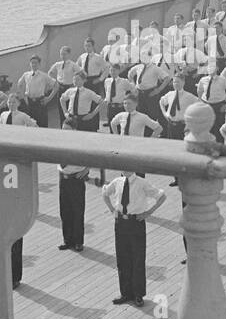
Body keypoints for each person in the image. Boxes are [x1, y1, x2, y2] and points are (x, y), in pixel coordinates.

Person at [102, 170, 167, 305]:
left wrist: (148, 212)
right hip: (120, 222)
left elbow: (161, 196)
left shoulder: (141, 183)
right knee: (122, 257)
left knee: (137, 258)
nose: (124, 169)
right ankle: (126, 293)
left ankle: (138, 294)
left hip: (136, 222)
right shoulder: (117, 182)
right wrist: (112, 210)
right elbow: (105, 192)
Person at [0, 96, 38, 287]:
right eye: (9, 102)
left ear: (19, 104)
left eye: (14, 102)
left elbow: (34, 126)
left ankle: (15, 277)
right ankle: (8, 275)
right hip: (6, 153)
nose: (11, 105)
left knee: (15, 242)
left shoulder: (22, 117)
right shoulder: (3, 115)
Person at [57, 121, 88, 252]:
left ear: (74, 129)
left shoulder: (81, 143)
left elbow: (92, 157)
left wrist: (85, 170)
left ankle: (78, 241)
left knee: (77, 211)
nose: (65, 131)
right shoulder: (60, 142)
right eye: (63, 128)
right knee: (65, 211)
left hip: (76, 179)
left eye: (68, 129)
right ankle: (67, 240)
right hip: (63, 179)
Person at [15, 54, 58, 126]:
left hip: (40, 102)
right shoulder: (26, 75)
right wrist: (23, 97)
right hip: (29, 102)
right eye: (32, 63)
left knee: (42, 124)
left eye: (36, 63)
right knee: (29, 123)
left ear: (39, 64)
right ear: (30, 64)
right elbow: (19, 84)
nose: (34, 65)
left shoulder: (43, 75)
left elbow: (56, 85)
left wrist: (49, 98)